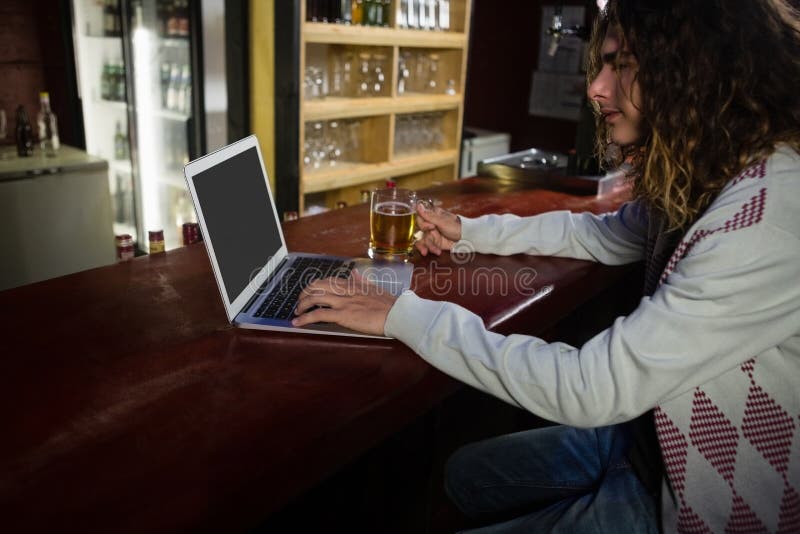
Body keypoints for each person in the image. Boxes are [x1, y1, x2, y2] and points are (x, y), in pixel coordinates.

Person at [293, 0, 800, 531]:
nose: (596, 88)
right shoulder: (716, 167)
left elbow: (591, 387)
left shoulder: (767, 219)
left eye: (622, 64)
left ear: (698, 68)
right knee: (462, 473)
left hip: (702, 501)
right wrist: (470, 231)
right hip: (649, 441)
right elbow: (601, 232)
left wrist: (400, 313)